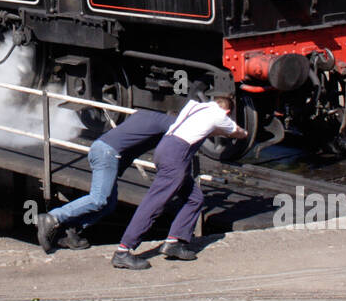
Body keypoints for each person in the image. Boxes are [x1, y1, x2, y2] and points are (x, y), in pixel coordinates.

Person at [112, 95, 250, 270]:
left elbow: (209, 130)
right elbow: (236, 132)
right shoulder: (219, 115)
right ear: (228, 111)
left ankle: (174, 242)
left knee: (195, 199)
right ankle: (123, 251)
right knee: (154, 203)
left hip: (165, 149)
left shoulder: (194, 107)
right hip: (177, 155)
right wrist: (247, 133)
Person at [36, 108, 173, 254]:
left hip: (105, 151)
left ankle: (70, 231)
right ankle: (53, 217)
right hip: (107, 153)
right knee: (99, 199)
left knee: (109, 204)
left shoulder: (148, 116)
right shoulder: (167, 122)